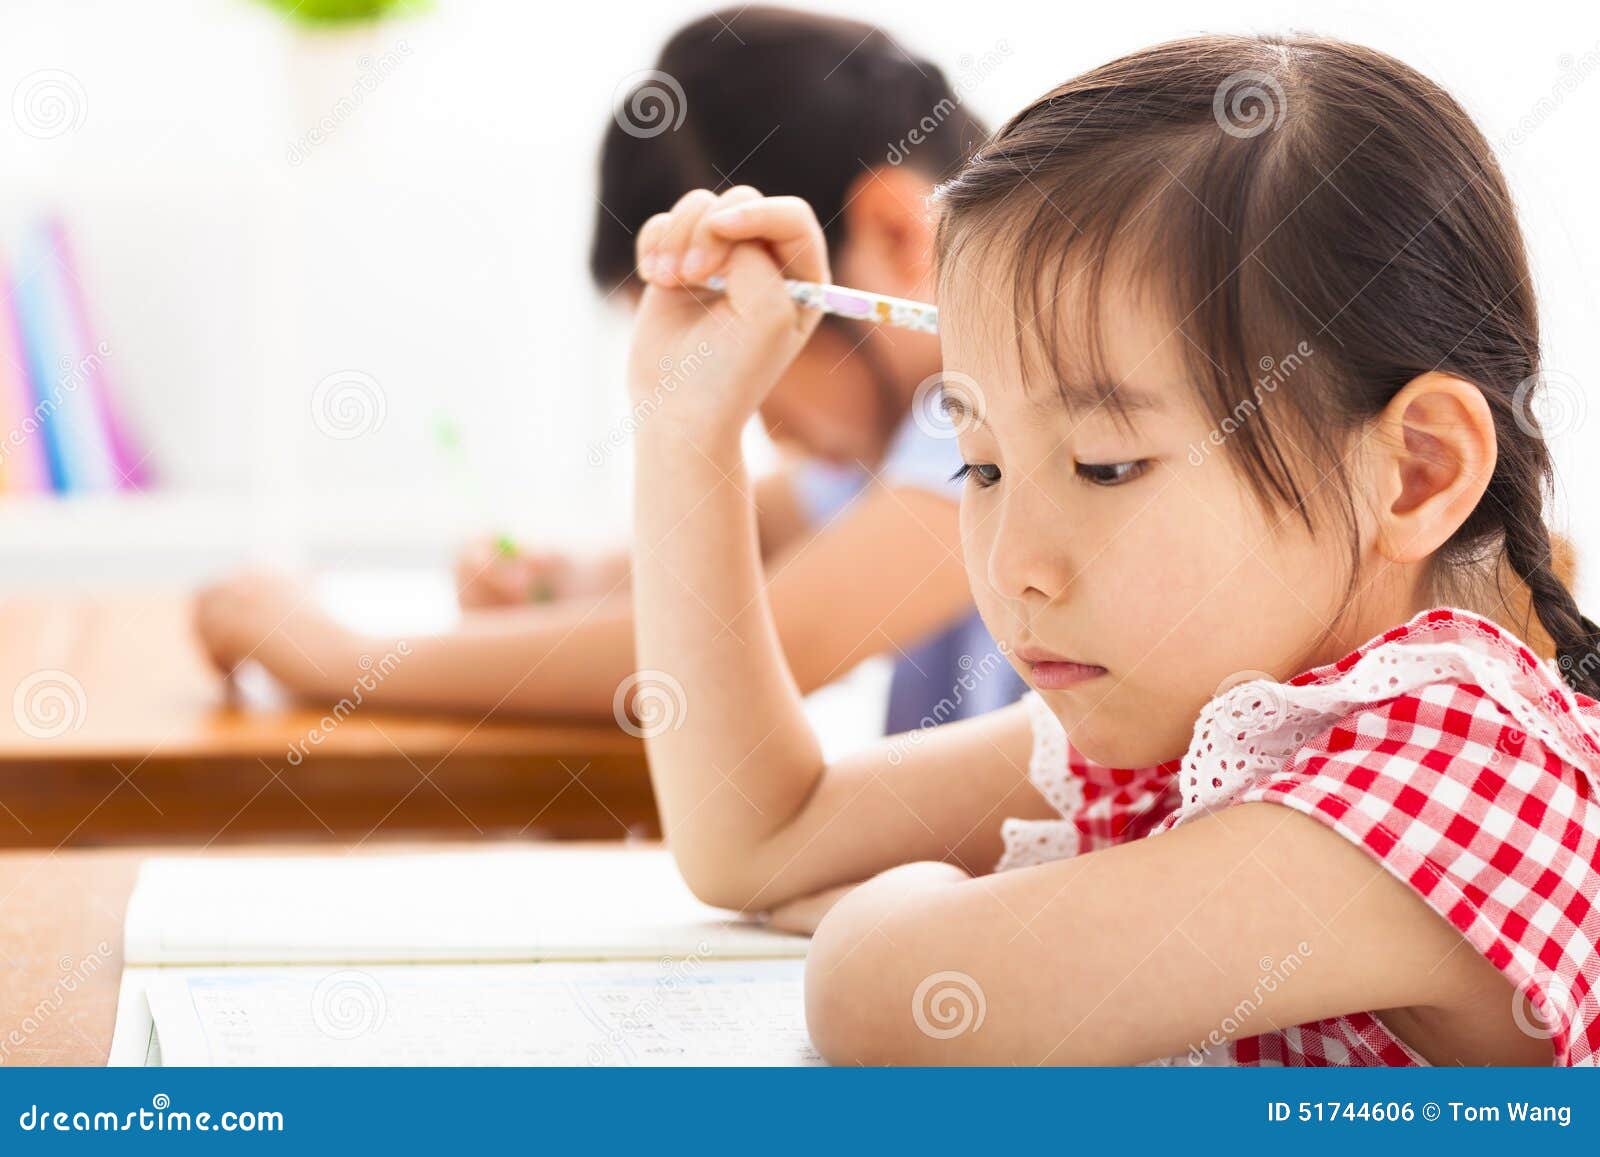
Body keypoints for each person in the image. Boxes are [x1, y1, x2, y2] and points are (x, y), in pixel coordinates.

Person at [624, 34, 1600, 1066]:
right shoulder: (1226, 705)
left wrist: (908, 901)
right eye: (980, 467)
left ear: (1414, 471)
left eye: (1105, 466)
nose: (1012, 566)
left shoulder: (1458, 779)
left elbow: (888, 997)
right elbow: (762, 835)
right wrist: (684, 428)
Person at [194, 7, 1025, 733]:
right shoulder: (900, 443)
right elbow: (761, 529)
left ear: (895, 234)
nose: (756, 417)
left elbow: (753, 645)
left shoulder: (1005, 406)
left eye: (752, 343)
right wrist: (581, 577)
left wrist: (343, 659)